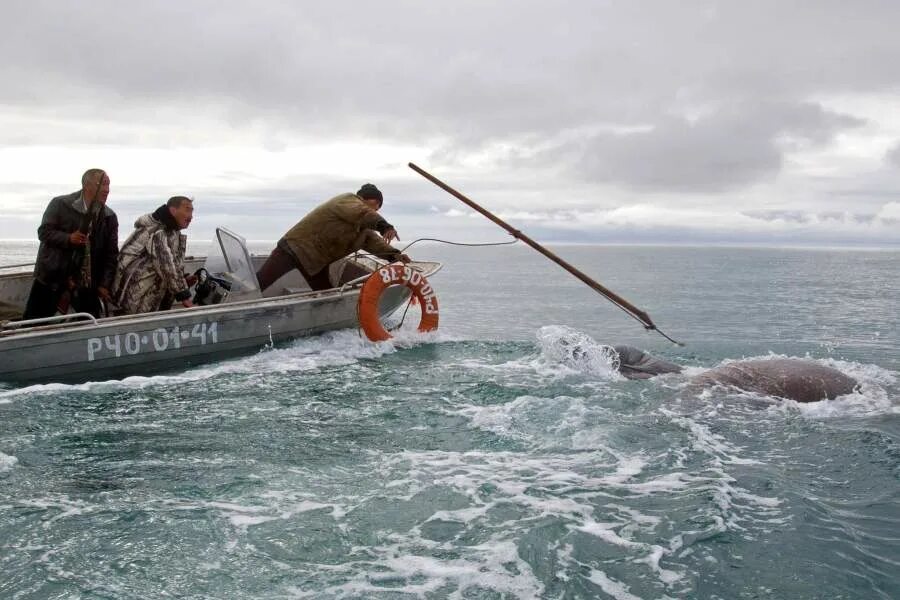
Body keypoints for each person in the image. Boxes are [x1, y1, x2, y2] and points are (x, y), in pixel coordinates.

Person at [255, 183, 410, 292]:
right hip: (293, 249)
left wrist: (394, 256)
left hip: (316, 263)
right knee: (261, 282)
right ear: (370, 200)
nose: (377, 211)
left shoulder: (362, 228)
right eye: (377, 206)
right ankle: (231, 296)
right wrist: (384, 226)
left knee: (327, 294)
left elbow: (374, 242)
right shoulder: (348, 201)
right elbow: (362, 212)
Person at [23, 168, 118, 319]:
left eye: (108, 185)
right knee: (33, 324)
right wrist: (68, 238)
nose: (107, 190)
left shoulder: (109, 217)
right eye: (103, 184)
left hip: (87, 286)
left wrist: (104, 284)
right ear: (87, 185)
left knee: (88, 327)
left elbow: (111, 254)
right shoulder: (60, 204)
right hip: (51, 279)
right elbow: (44, 232)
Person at [112, 196, 195, 314]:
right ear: (173, 210)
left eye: (192, 211)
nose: (191, 216)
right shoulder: (157, 231)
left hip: (148, 300)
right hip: (136, 300)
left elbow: (174, 265)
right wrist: (184, 296)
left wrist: (184, 280)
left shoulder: (172, 232)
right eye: (187, 210)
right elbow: (167, 266)